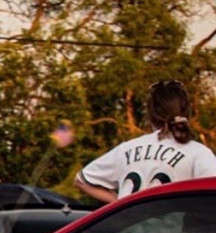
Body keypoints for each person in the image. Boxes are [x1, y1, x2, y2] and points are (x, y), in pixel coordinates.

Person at [77, 80, 216, 203]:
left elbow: (82, 180)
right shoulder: (198, 153)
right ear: (186, 112)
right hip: (173, 232)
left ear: (151, 113)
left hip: (129, 230)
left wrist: (121, 203)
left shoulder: (126, 149)